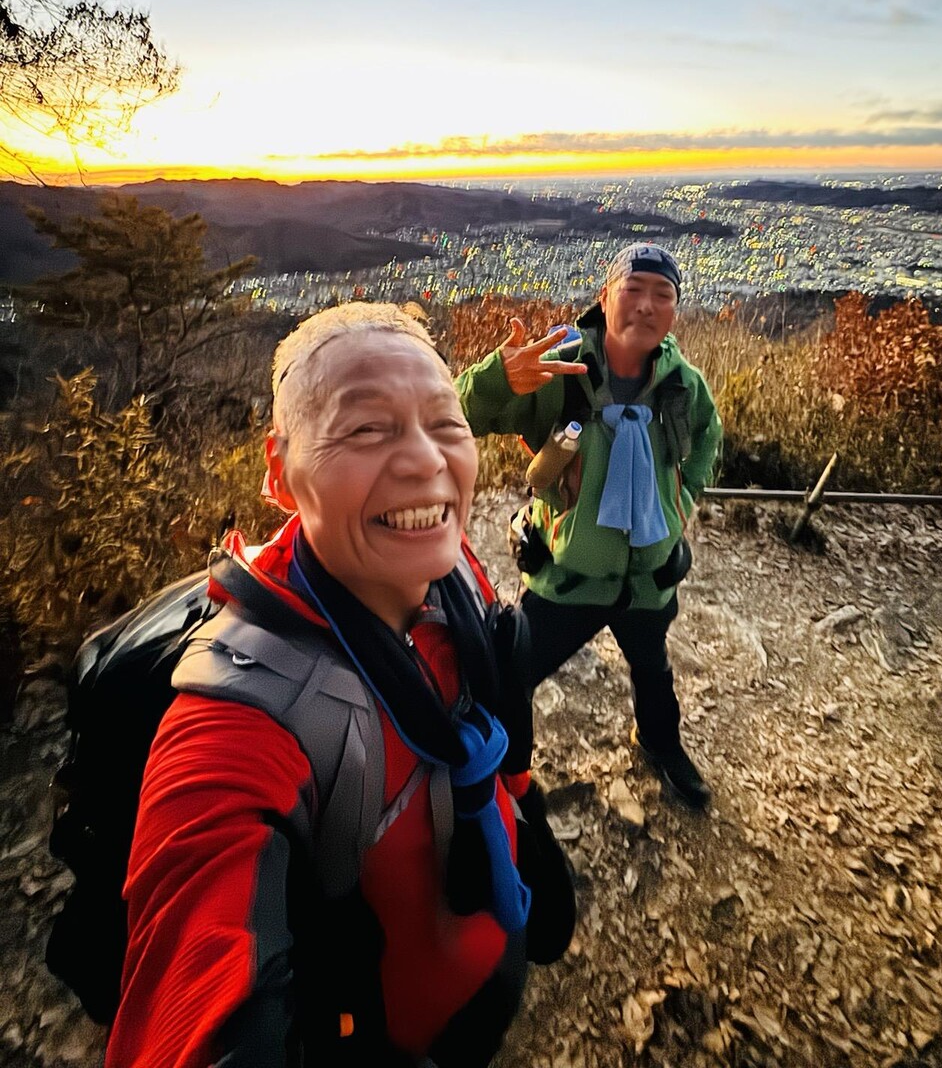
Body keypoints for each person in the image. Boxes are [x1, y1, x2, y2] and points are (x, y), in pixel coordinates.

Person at [107, 303, 546, 1068]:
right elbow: (195, 1008)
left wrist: (526, 810)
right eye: (367, 429)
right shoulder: (242, 720)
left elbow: (488, 716)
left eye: (445, 423)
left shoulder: (450, 565)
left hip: (489, 958)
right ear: (279, 472)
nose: (426, 461)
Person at [456, 244, 723, 812]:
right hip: (567, 576)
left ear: (675, 310)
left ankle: (659, 743)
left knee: (653, 668)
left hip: (648, 576)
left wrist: (684, 499)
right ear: (604, 298)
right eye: (633, 290)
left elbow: (708, 435)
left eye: (663, 295)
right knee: (512, 675)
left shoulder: (681, 382)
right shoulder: (562, 370)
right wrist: (498, 377)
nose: (647, 305)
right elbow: (459, 414)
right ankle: (509, 780)